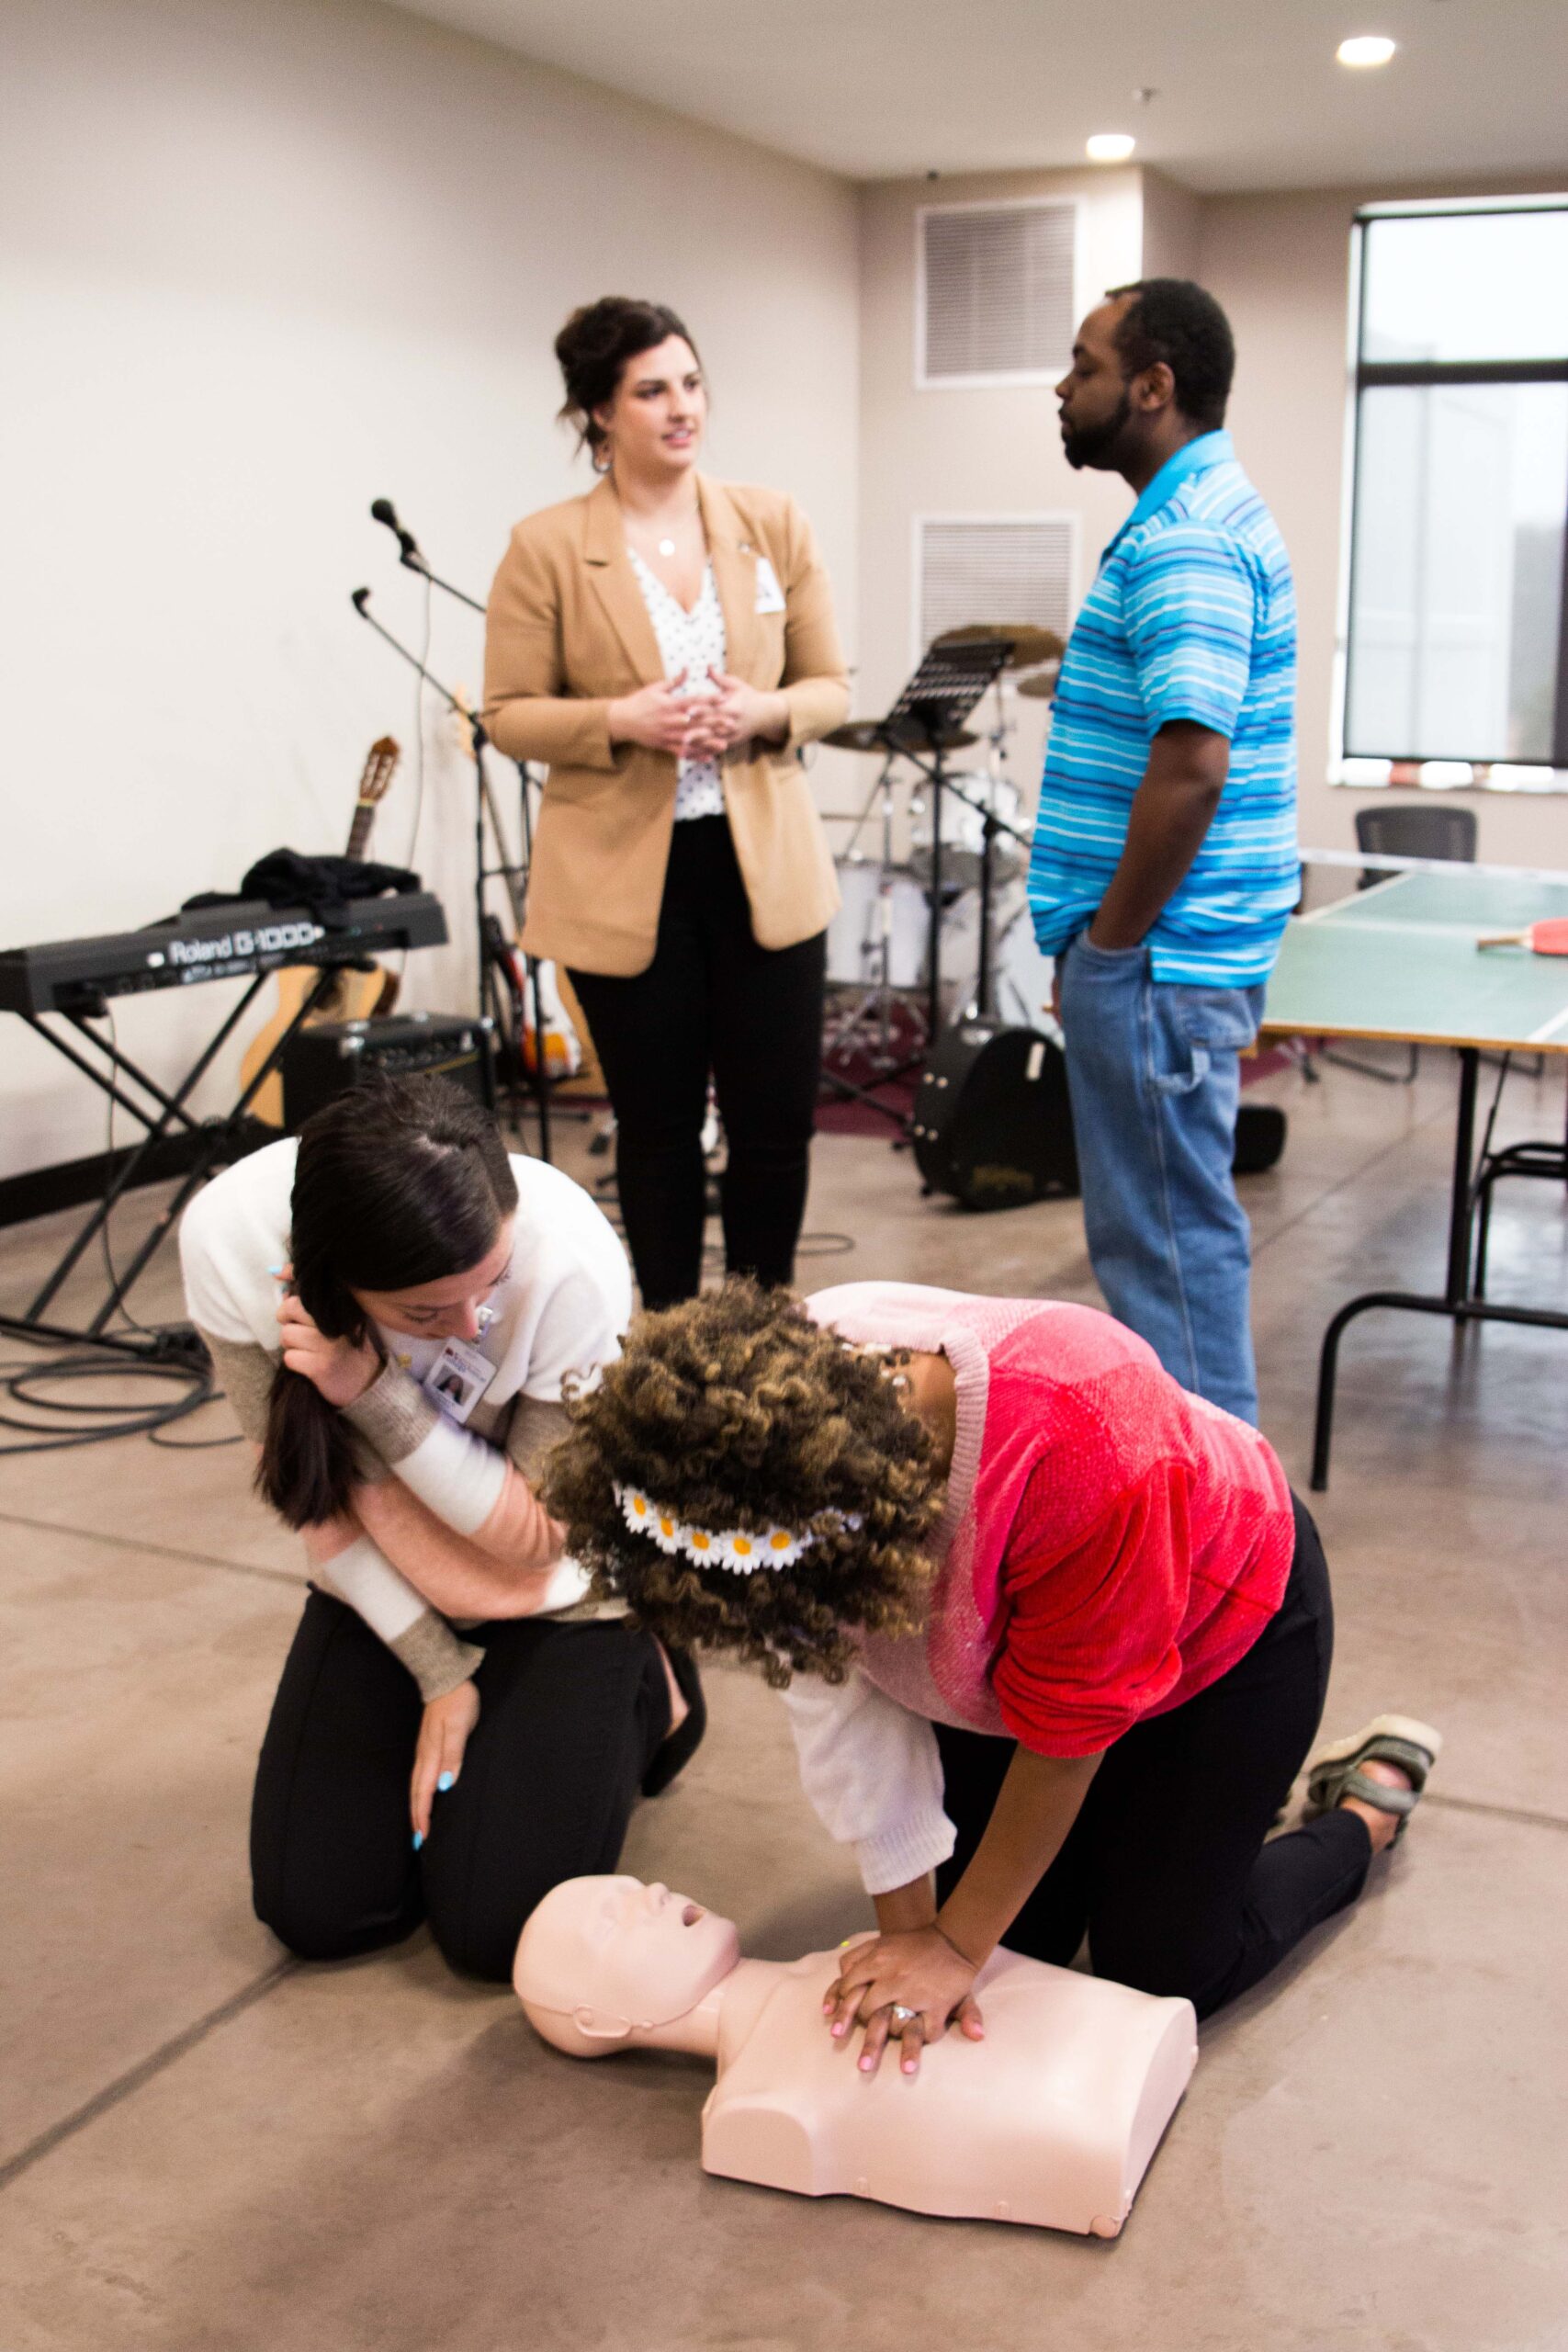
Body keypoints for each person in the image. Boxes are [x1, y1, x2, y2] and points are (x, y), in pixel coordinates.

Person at [541, 1278, 1440, 2058]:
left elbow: (1064, 1743)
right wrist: (915, 1937)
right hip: (996, 1661)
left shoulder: (1086, 1435)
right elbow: (842, 1705)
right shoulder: (769, 1437)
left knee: (1164, 1966)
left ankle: (1364, 1808)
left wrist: (956, 1950)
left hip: (1226, 1623)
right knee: (1032, 1943)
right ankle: (1190, 1822)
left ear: (852, 1523)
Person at [177, 1073, 705, 1984]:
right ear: (326, 1279)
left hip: (565, 1577)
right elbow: (315, 1499)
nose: (470, 1322)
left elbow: (540, 1533)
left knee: (495, 1931)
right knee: (321, 1909)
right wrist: (438, 1668)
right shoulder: (231, 1240)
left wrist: (372, 1394)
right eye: (426, 1312)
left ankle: (651, 1678)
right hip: (398, 1558)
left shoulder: (571, 1255)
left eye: (491, 1285)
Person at [483, 296, 851, 1309]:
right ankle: (674, 1347)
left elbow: (833, 687)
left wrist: (765, 709)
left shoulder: (772, 523)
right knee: (658, 1130)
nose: (682, 408)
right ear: (597, 412)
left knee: (777, 1127)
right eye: (652, 390)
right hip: (624, 880)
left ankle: (766, 1339)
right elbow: (508, 713)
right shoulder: (546, 546)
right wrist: (621, 719)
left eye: (691, 384)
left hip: (762, 865)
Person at [1028, 277, 1301, 1426]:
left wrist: (1108, 946)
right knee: (1168, 1253)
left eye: (1084, 365)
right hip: (1164, 962)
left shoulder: (1186, 537)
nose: (1062, 385)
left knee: (1169, 1271)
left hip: (1155, 964)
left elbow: (1192, 767)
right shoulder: (1195, 517)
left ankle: (1217, 1574)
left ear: (1154, 386)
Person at [513, 1872, 1198, 2237]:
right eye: (615, 1919)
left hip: (1136, 2038)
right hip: (1097, 2137)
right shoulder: (751, 2110)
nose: (654, 1894)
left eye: (635, 1885)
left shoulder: (848, 1950)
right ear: (595, 2020)